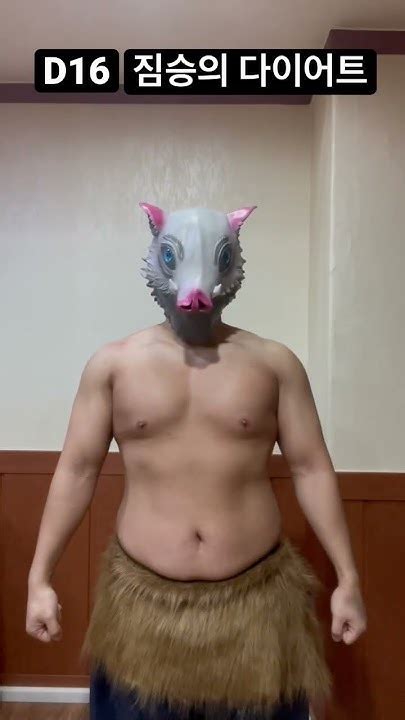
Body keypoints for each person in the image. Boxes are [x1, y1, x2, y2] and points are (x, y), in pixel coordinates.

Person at [26, 202, 367, 720]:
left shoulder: (274, 365)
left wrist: (348, 578)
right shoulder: (113, 365)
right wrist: (39, 577)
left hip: (257, 608)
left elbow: (311, 467)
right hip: (142, 610)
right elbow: (77, 469)